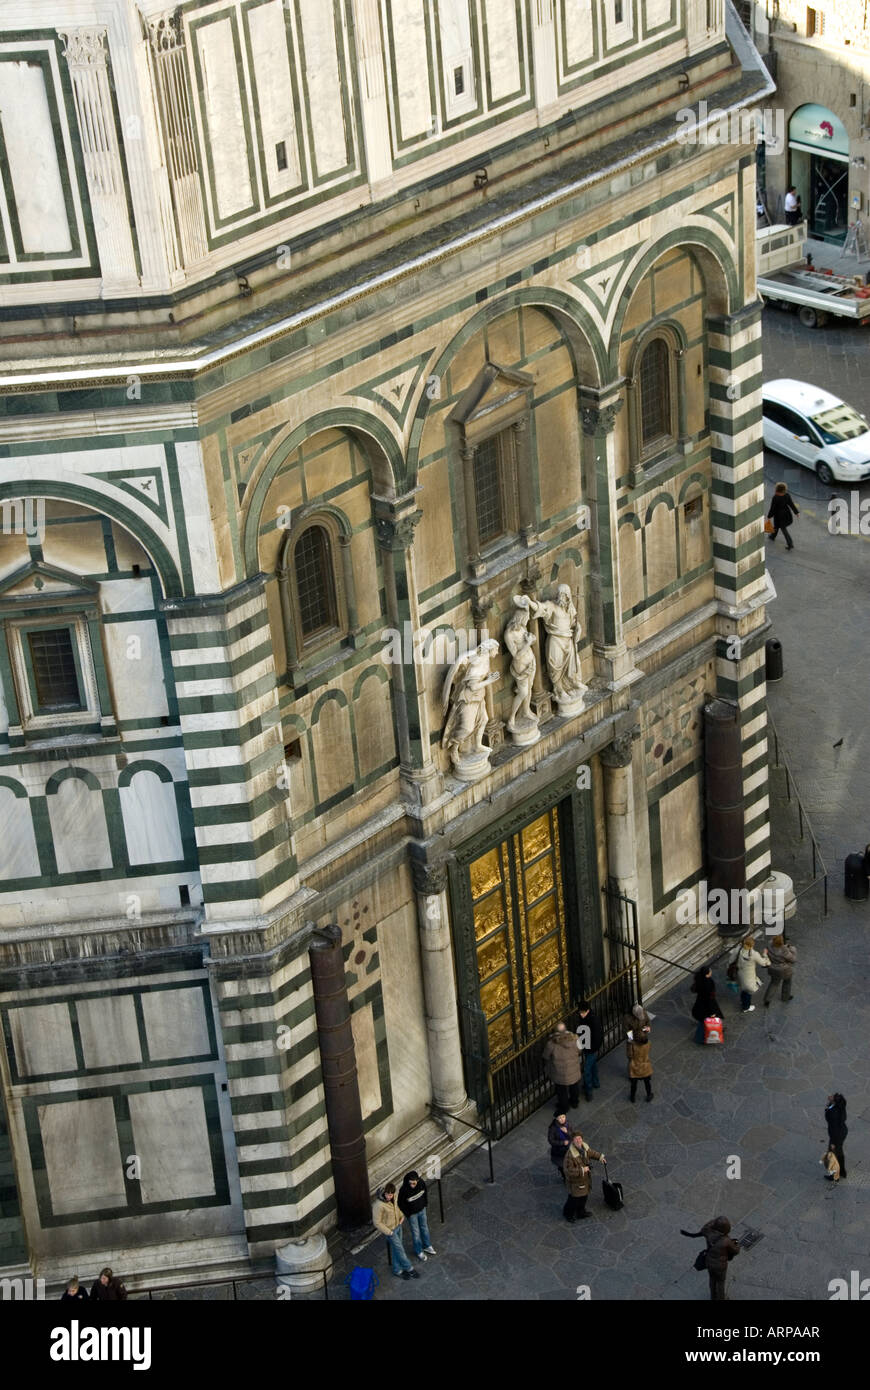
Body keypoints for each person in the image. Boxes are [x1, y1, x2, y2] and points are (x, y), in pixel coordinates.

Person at [681, 1217, 741, 1301]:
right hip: (720, 1266)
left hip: (709, 1262)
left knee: (712, 1279)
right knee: (720, 1282)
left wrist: (715, 1222)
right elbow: (735, 1251)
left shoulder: (707, 1231)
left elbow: (707, 1226)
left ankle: (713, 1297)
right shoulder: (726, 1240)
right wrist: (737, 1243)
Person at [372, 1183, 420, 1279]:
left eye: (391, 1195)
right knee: (400, 1249)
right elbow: (377, 1223)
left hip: (398, 1226)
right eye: (387, 1194)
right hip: (390, 1231)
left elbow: (398, 1207)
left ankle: (397, 1270)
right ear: (384, 1192)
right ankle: (409, 1268)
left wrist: (401, 1216)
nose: (389, 1197)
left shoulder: (395, 1197)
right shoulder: (378, 1205)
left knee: (396, 1249)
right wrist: (389, 1232)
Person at [562, 1132, 605, 1224]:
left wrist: (600, 1158)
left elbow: (591, 1153)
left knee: (583, 1197)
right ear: (573, 1141)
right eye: (576, 1139)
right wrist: (582, 1169)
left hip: (584, 1180)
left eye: (580, 1138)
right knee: (574, 1200)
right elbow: (568, 1171)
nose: (578, 1140)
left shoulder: (584, 1147)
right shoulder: (570, 1155)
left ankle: (581, 1212)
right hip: (575, 1183)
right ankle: (568, 1214)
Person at [542, 1019, 583, 1110]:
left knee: (561, 1091)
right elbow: (580, 1050)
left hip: (559, 1073)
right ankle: (575, 1102)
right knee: (574, 1087)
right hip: (573, 1070)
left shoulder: (551, 1044)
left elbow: (545, 1056)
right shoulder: (575, 1039)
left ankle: (564, 1107)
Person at [397, 1171, 436, 1261]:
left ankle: (427, 1246)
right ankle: (419, 1251)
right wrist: (408, 1214)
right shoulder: (403, 1190)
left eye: (414, 1183)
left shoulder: (421, 1183)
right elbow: (400, 1203)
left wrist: (425, 1204)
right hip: (412, 1215)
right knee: (416, 1233)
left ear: (417, 1180)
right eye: (410, 1183)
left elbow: (425, 1192)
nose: (412, 1185)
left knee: (424, 1228)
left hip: (422, 1210)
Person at [729, 935, 769, 1013]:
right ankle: (746, 1007)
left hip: (740, 973)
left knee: (744, 988)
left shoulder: (738, 949)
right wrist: (765, 954)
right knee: (748, 991)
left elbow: (731, 960)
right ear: (752, 945)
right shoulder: (754, 954)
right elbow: (764, 963)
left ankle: (743, 1001)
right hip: (749, 976)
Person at [576, 1000, 603, 1100]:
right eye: (580, 1013)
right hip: (587, 1046)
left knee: (587, 1070)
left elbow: (597, 1036)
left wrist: (592, 1048)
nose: (581, 1014)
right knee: (592, 1066)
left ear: (587, 1011)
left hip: (591, 1048)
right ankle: (595, 1082)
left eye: (582, 1013)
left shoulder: (593, 1020)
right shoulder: (585, 1018)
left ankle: (589, 1090)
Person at [764, 934, 797, 1005]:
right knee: (787, 981)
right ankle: (785, 997)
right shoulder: (784, 950)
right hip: (784, 970)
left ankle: (767, 1000)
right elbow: (793, 959)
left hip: (773, 968)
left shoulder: (769, 944)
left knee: (774, 983)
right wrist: (792, 949)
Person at [690, 965, 720, 1043]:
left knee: (703, 1022)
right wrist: (712, 1012)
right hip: (704, 1009)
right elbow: (709, 1000)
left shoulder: (701, 980)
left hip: (699, 1006)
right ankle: (699, 1039)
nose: (711, 971)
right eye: (710, 971)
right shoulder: (707, 985)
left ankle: (702, 1036)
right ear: (707, 974)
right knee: (703, 1023)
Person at [767, 482, 799, 551]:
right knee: (777, 526)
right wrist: (796, 512)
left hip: (778, 515)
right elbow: (791, 504)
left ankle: (790, 543)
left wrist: (769, 516)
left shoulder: (775, 497)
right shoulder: (787, 495)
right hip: (786, 514)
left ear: (776, 490)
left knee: (782, 528)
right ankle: (772, 536)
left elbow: (772, 508)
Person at [627, 1026, 653, 1103]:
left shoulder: (633, 1046)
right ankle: (649, 1095)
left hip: (635, 1067)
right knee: (647, 1083)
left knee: (634, 1085)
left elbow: (630, 1055)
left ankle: (632, 1097)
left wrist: (630, 1043)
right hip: (645, 1067)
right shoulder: (648, 1043)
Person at [825, 1094, 848, 1179]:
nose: (830, 1096)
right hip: (842, 1132)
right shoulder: (840, 1106)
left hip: (836, 1135)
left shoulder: (833, 1113)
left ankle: (835, 1175)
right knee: (839, 1151)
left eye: (832, 1097)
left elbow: (834, 1129)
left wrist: (833, 1142)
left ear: (834, 1102)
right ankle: (842, 1172)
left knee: (832, 1155)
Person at [547, 1111, 575, 1180]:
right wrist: (562, 1143)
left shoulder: (568, 1124)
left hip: (569, 1148)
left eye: (563, 1117)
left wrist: (567, 1132)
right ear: (556, 1119)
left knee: (571, 1162)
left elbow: (573, 1135)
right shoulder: (553, 1128)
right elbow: (551, 1140)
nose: (562, 1119)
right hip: (559, 1151)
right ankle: (564, 1176)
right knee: (562, 1165)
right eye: (560, 1118)